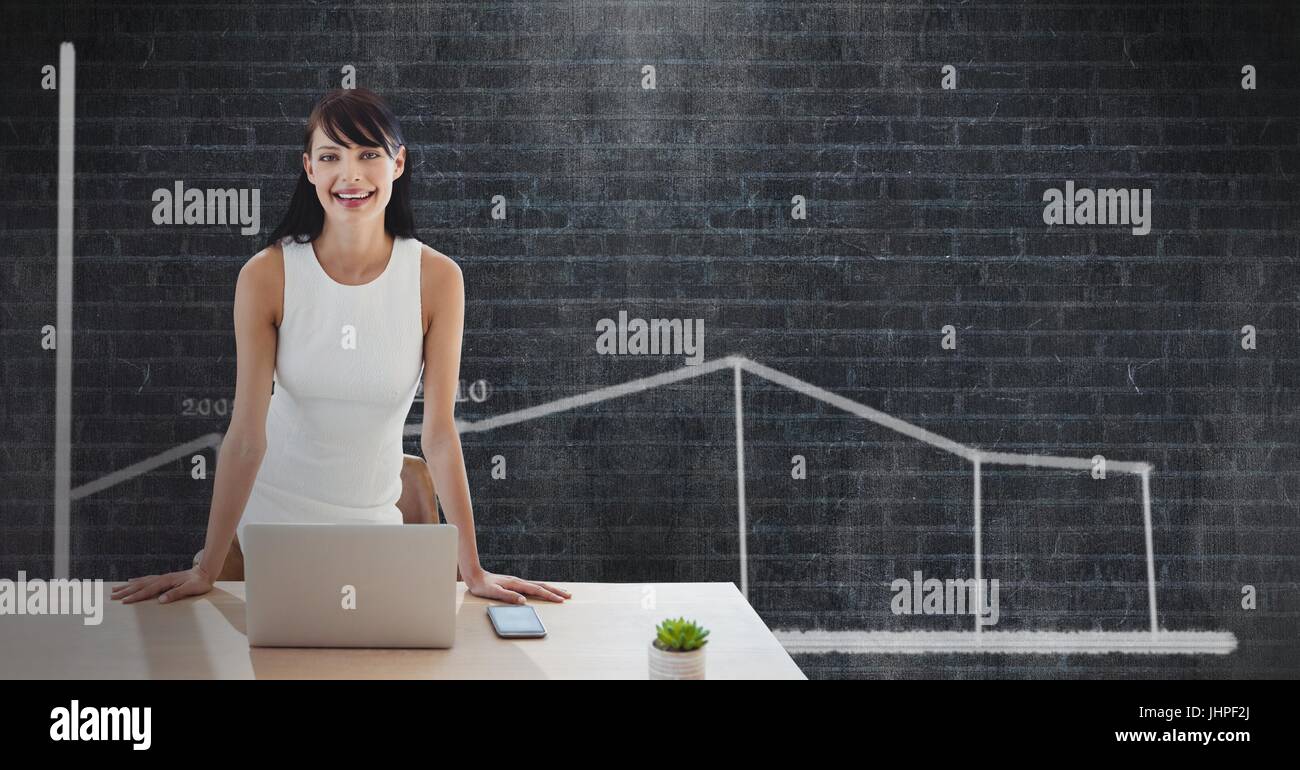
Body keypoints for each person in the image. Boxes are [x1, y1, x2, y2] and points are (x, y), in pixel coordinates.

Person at [112, 89, 570, 607]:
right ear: (309, 168)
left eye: (368, 154)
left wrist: (474, 571)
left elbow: (440, 437)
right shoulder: (267, 274)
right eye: (331, 157)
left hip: (374, 537)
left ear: (398, 163)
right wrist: (205, 568)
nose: (350, 176)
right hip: (269, 537)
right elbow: (245, 437)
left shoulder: (438, 278)